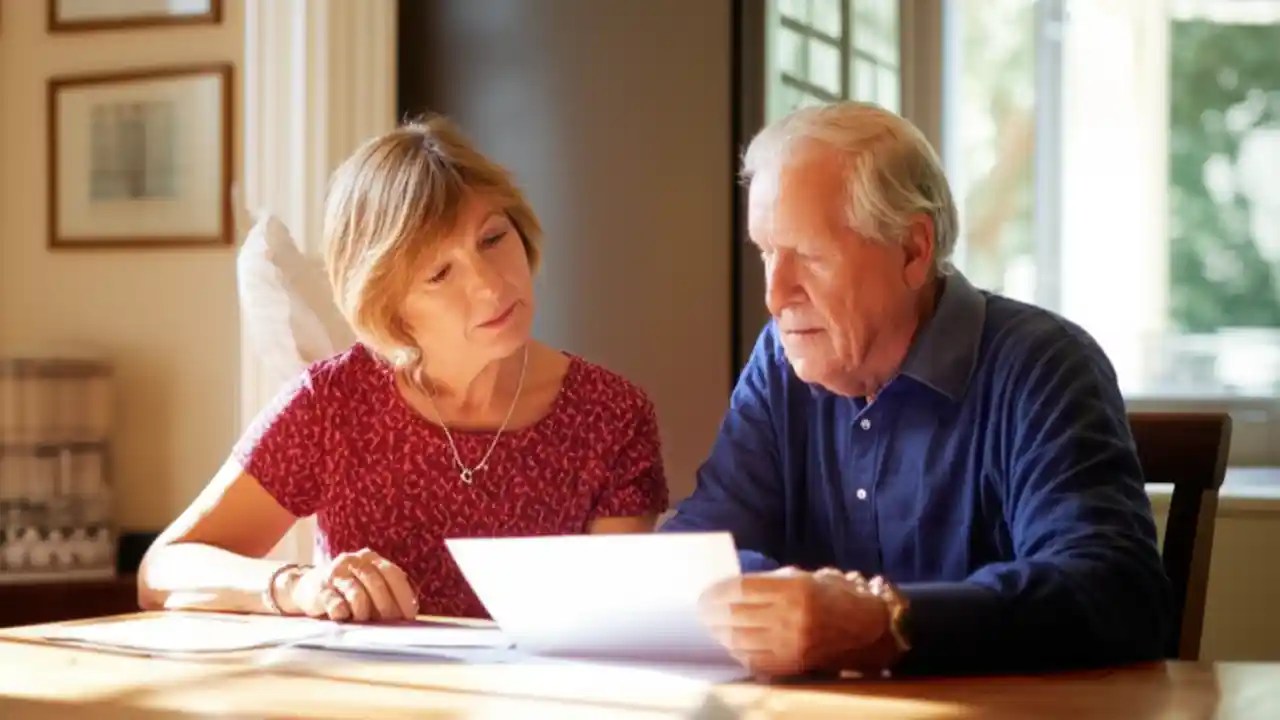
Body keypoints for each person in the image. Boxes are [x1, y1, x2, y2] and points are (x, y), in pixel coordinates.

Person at [663, 101, 1172, 678]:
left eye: (808, 255)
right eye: (766, 253)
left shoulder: (1044, 364)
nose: (775, 295)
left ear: (913, 250)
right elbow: (697, 553)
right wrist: (777, 600)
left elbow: (1115, 592)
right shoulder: (780, 361)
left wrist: (887, 621)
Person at [139, 117, 668, 623]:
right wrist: (296, 585)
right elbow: (163, 569)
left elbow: (614, 623)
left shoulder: (612, 414)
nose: (490, 284)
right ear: (386, 306)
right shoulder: (333, 403)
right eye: (440, 273)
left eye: (492, 239)